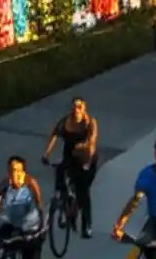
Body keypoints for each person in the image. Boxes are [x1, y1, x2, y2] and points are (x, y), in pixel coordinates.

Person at [41, 97, 99, 238]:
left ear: (84, 109)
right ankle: (61, 201)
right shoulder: (65, 122)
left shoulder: (90, 123)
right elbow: (54, 135)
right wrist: (46, 154)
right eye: (74, 106)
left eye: (80, 106)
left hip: (86, 159)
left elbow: (91, 143)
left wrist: (86, 161)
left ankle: (87, 225)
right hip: (69, 157)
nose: (76, 109)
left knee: (83, 191)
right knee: (60, 172)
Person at [0, 156, 45, 258]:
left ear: (23, 171)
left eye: (17, 171)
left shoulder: (31, 183)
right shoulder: (5, 183)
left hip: (29, 228)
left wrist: (40, 226)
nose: (14, 175)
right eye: (11, 171)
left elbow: (39, 204)